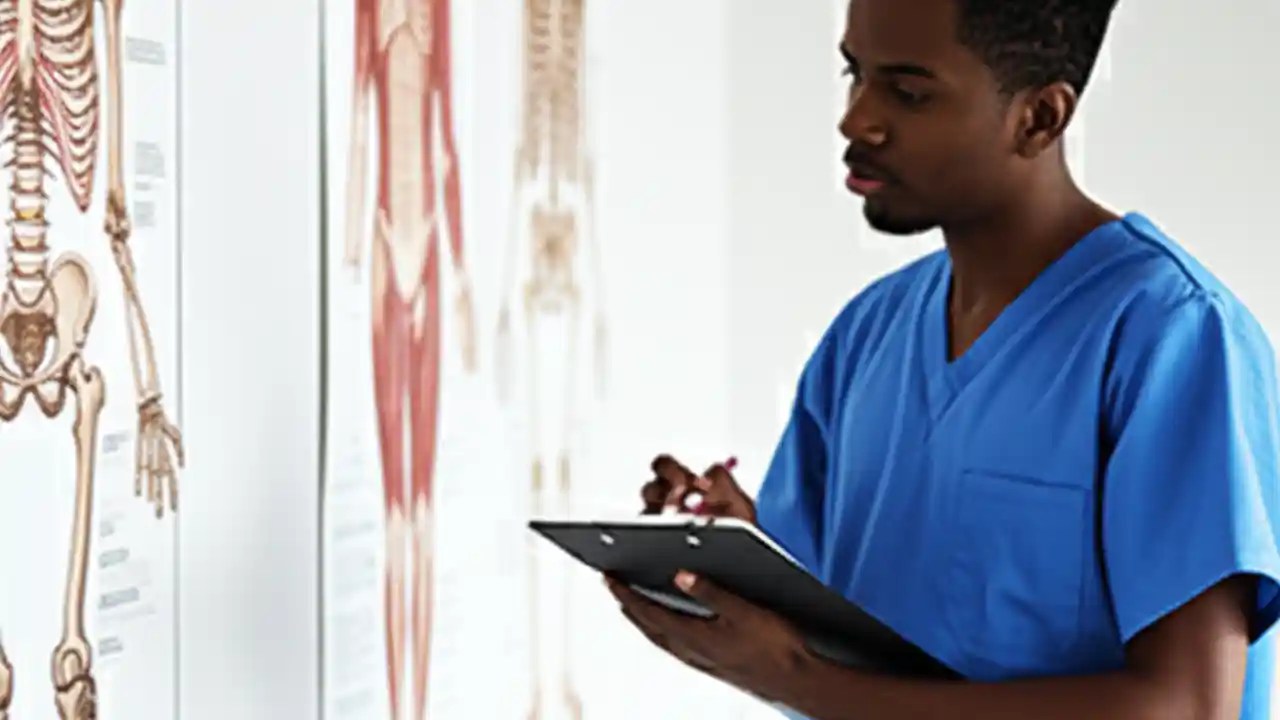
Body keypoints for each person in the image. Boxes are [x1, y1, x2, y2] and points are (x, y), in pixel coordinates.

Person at [606, 0, 1280, 718]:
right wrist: (733, 554)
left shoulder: (1170, 335)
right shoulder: (867, 335)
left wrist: (795, 676)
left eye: (909, 92)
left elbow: (1186, 707)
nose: (856, 120)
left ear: (1040, 118)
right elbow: (851, 632)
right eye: (854, 74)